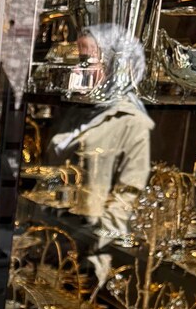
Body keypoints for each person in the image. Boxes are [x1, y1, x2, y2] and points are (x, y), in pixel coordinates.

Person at [46, 22, 154, 251]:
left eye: (86, 62)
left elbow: (129, 193)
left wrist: (91, 240)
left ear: (114, 64)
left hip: (89, 249)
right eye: (76, 61)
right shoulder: (78, 109)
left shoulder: (132, 121)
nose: (77, 71)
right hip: (55, 232)